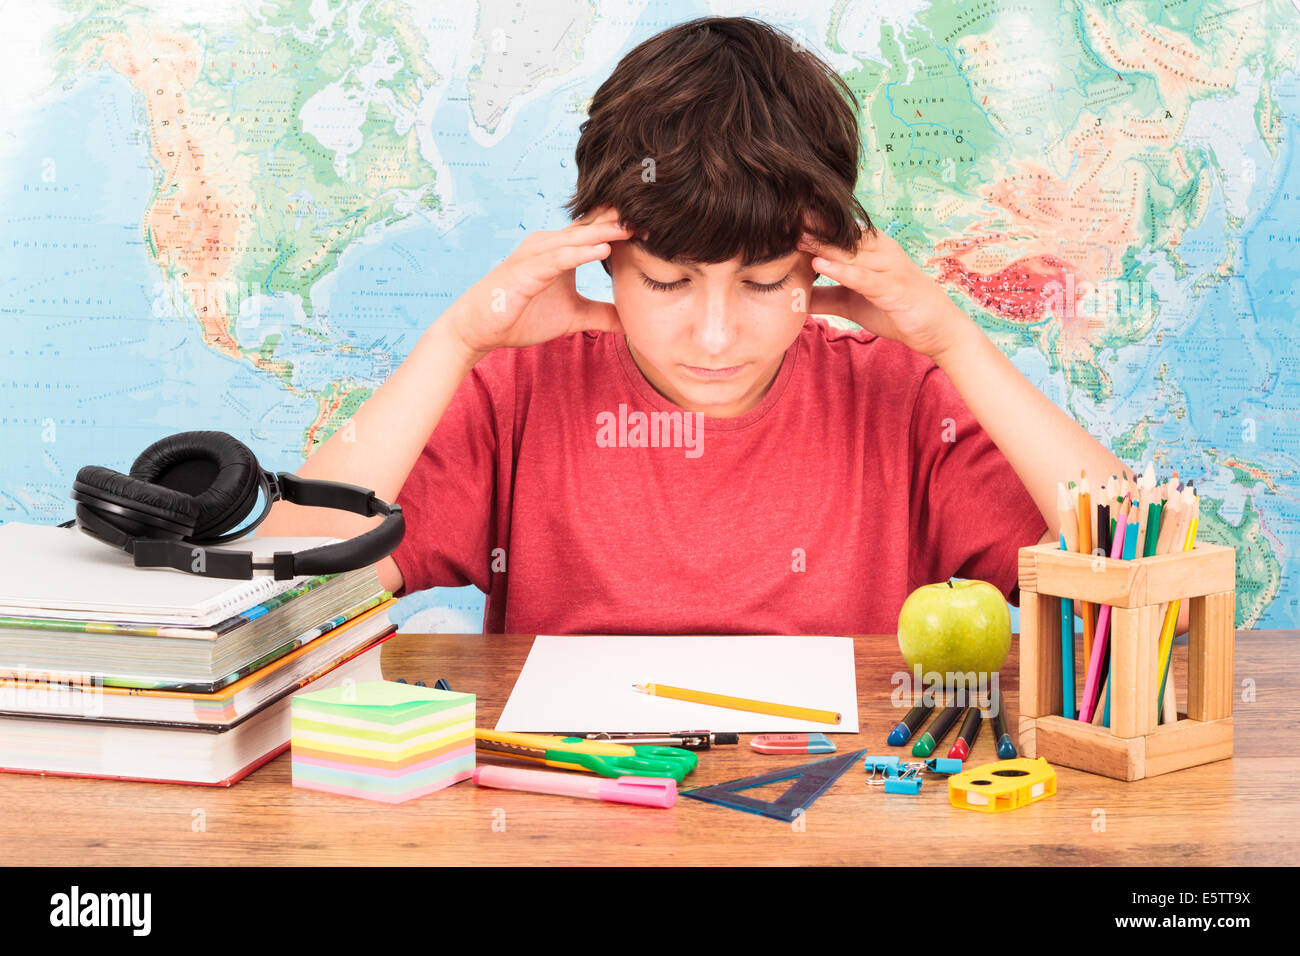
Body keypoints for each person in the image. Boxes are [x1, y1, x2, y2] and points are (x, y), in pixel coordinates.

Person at [260, 15, 1172, 637]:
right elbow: (287, 581)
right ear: (601, 255)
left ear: (823, 265)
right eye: (665, 281)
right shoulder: (519, 393)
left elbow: (1149, 577)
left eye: (766, 280)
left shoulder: (900, 395)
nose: (713, 337)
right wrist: (454, 342)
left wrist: (955, 344)